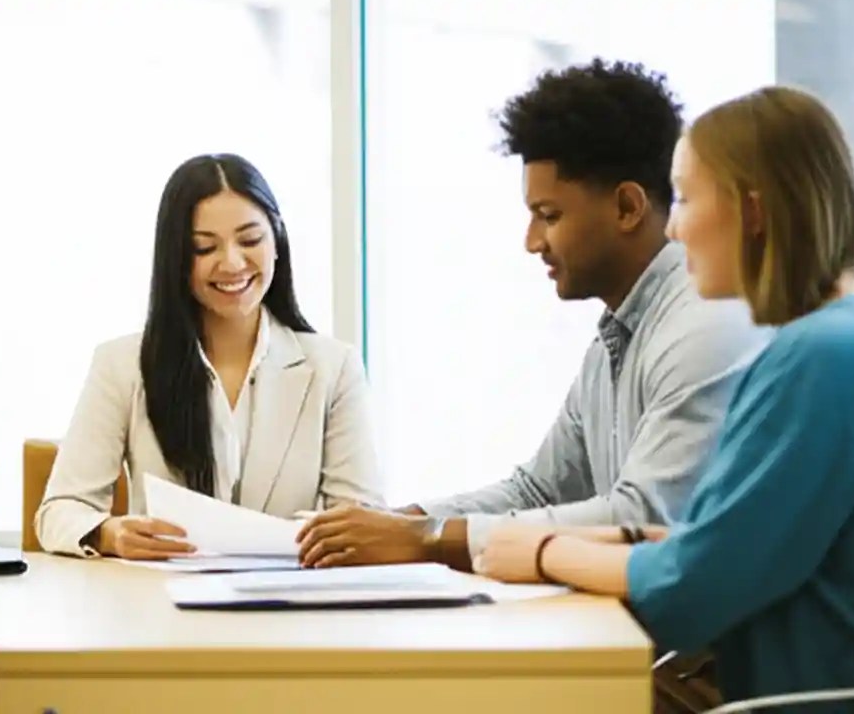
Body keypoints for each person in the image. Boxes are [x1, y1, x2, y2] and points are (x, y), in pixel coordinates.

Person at [474, 86, 854, 710]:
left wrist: (546, 552)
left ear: (754, 212)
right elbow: (721, 544)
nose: (677, 227)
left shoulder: (819, 356)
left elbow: (689, 594)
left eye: (685, 197)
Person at [296, 59, 769, 571]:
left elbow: (644, 513)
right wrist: (399, 522)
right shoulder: (618, 333)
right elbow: (539, 486)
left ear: (628, 208)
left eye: (549, 216)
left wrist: (428, 539)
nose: (532, 242)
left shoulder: (702, 326)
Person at [36, 153, 384, 559]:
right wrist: (110, 533)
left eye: (250, 240)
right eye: (204, 248)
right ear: (176, 259)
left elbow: (363, 520)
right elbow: (59, 512)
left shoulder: (334, 368)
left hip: (291, 609)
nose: (232, 263)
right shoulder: (122, 364)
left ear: (277, 242)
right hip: (159, 608)